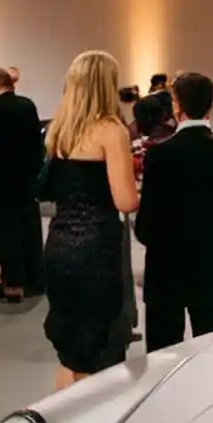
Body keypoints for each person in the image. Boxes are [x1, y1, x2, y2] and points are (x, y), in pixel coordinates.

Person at [42, 50, 139, 390]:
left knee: (71, 350)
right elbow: (125, 200)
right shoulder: (111, 131)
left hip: (59, 243)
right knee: (98, 349)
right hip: (96, 248)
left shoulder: (60, 130)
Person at [135, 72, 213, 352]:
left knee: (161, 360)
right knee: (207, 357)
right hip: (209, 266)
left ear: (176, 106)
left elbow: (145, 225)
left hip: (164, 269)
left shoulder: (159, 155)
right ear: (211, 105)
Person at [0, 66, 45, 301]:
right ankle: (36, 279)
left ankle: (14, 281)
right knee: (30, 229)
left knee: (8, 234)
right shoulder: (27, 106)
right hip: (28, 180)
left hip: (2, 183)